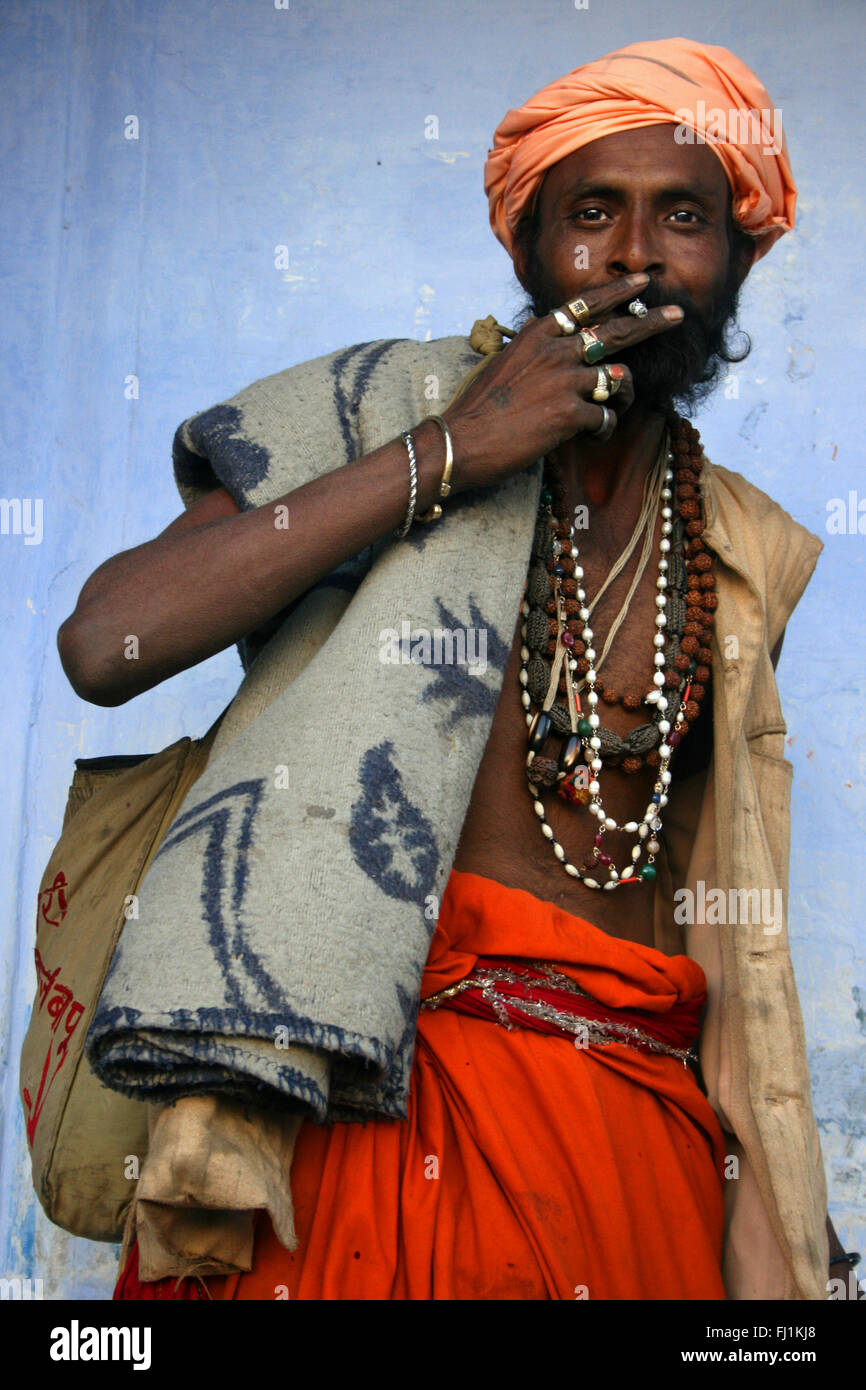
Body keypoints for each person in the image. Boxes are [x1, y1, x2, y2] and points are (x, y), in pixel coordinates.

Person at [59, 38, 852, 1300]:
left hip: (622, 1150)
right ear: (526, 247)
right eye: (591, 213)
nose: (634, 254)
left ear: (738, 259)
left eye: (683, 218)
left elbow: (705, 906)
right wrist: (455, 447)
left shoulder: (742, 547)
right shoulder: (379, 404)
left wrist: (775, 1205)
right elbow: (108, 644)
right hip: (333, 1120)